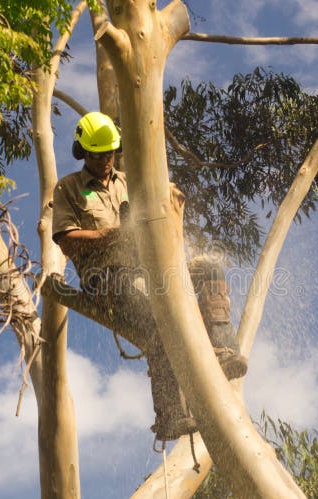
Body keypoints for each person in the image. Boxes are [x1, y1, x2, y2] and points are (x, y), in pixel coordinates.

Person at [52, 111, 247, 442]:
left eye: (109, 153)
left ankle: (223, 348)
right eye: (97, 154)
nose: (104, 160)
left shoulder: (132, 182)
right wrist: (114, 234)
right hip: (107, 278)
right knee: (155, 306)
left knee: (210, 267)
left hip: (152, 268)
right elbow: (68, 240)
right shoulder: (69, 188)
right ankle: (171, 413)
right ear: (83, 151)